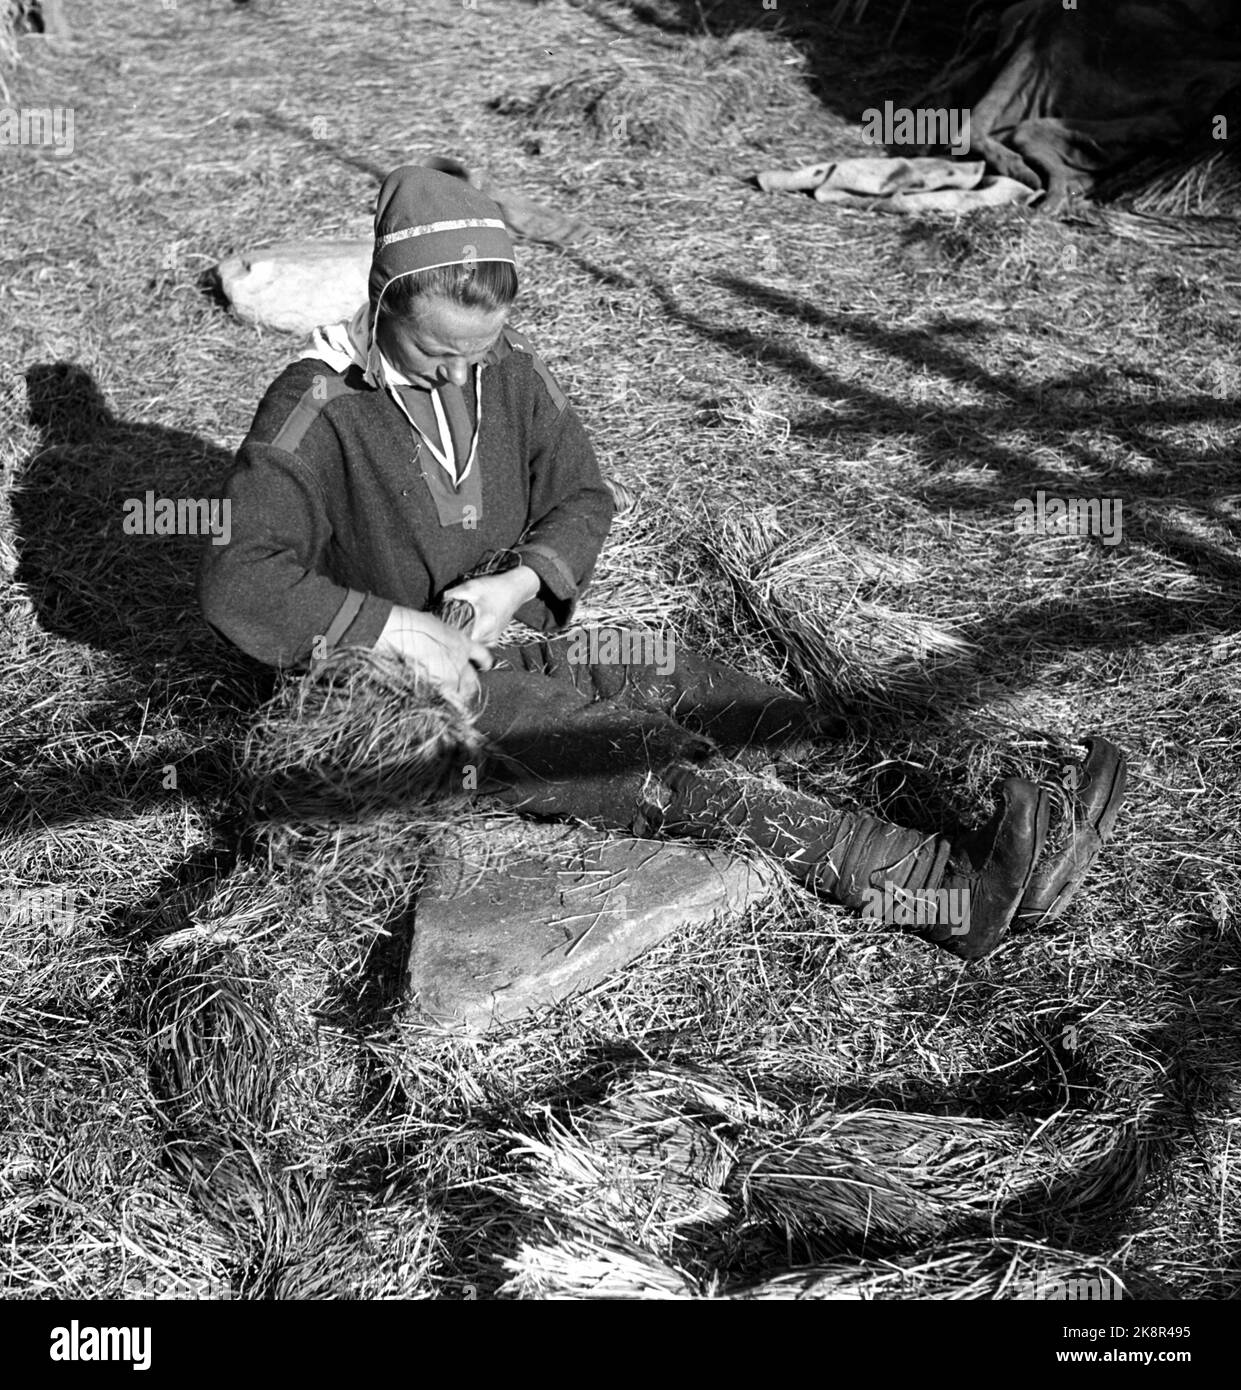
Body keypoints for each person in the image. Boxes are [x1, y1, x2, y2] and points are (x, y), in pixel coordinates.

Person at [200, 164, 1127, 963]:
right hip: (403, 698)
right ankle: (944, 891)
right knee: (656, 766)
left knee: (711, 690)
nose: (455, 375)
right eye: (436, 350)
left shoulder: (504, 372)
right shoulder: (317, 405)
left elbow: (582, 499)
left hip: (502, 641)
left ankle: (1003, 833)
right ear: (381, 295)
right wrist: (400, 629)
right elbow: (242, 579)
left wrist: (516, 582)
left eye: (475, 352)